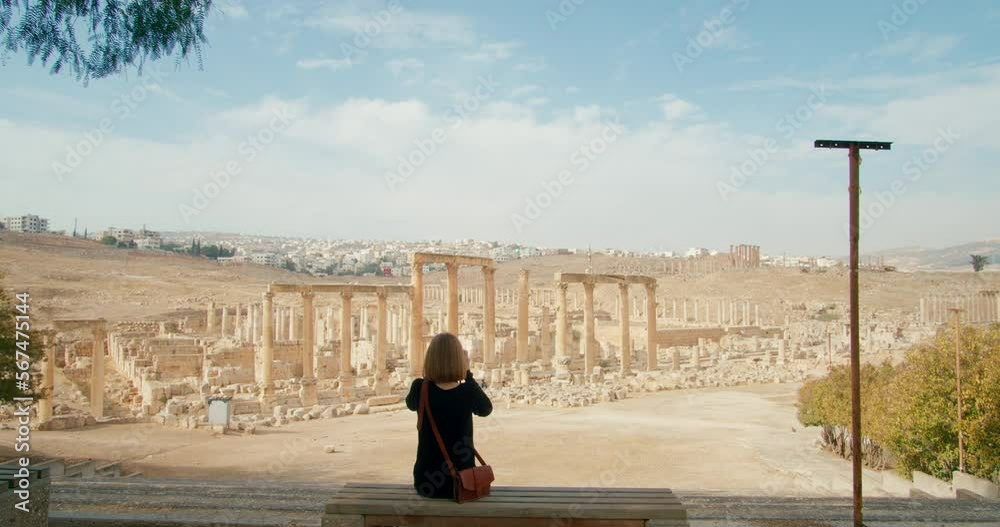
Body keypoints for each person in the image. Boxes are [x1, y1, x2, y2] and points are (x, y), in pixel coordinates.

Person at [406, 332, 493, 499]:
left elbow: (410, 404)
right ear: (460, 360)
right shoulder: (467, 391)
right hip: (462, 482)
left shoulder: (419, 388)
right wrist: (468, 375)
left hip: (426, 483)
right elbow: (486, 409)